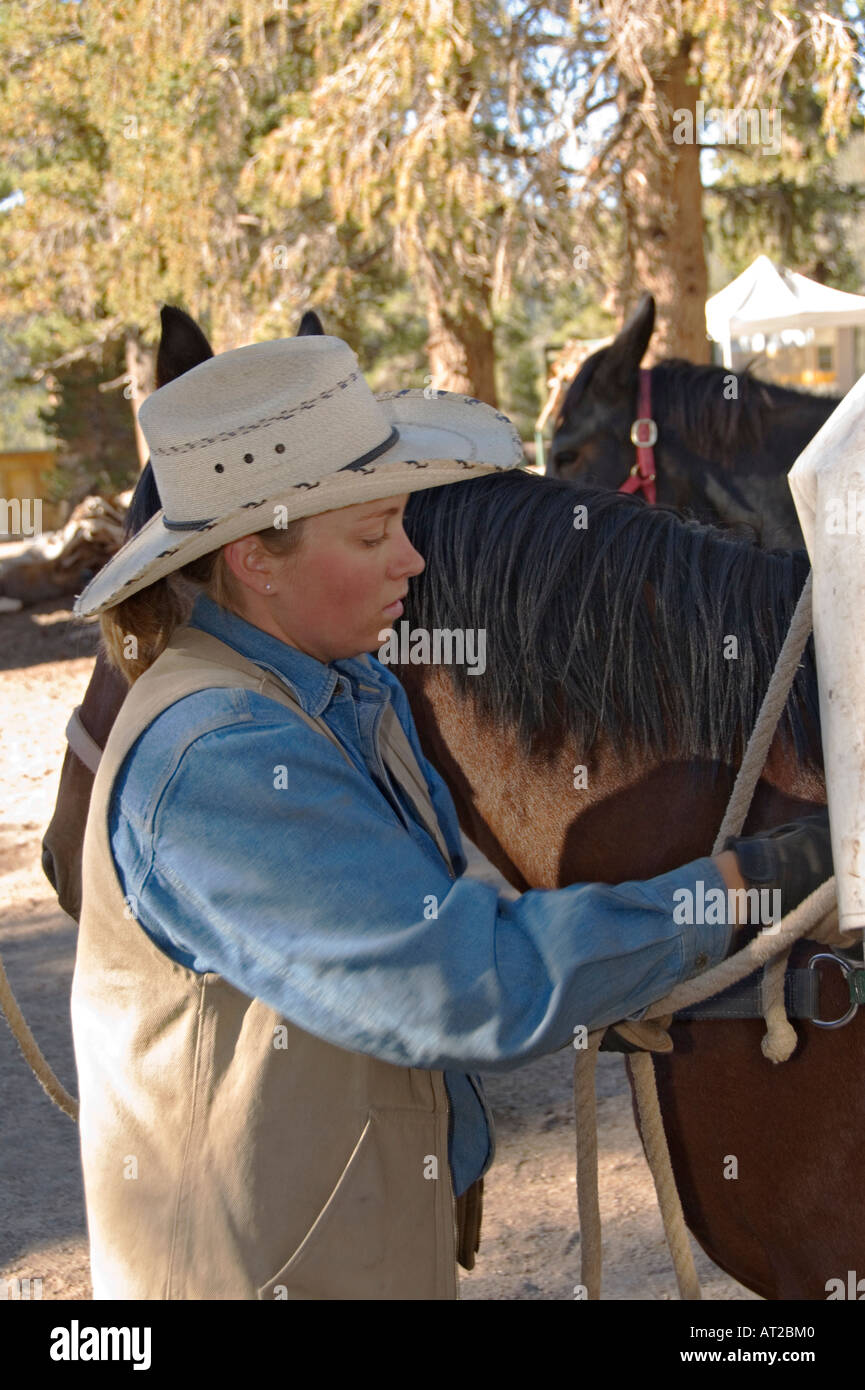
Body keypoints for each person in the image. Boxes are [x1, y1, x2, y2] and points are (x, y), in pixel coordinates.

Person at [69, 333, 833, 1301]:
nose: (413, 559)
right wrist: (735, 890)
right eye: (374, 531)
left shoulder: (335, 695)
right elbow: (460, 985)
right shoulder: (218, 757)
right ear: (257, 556)